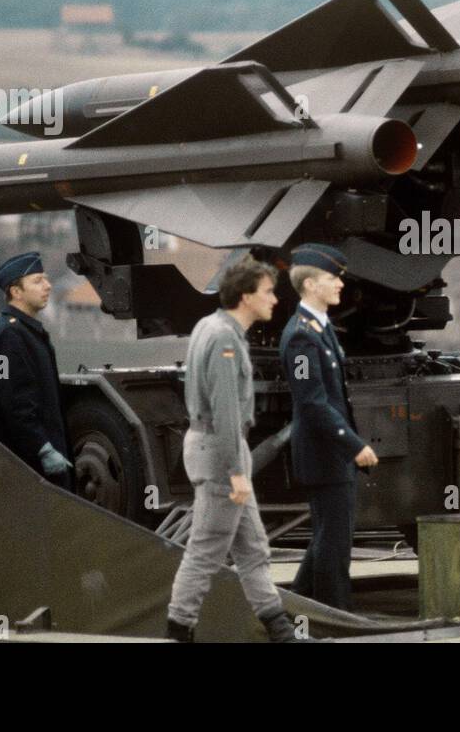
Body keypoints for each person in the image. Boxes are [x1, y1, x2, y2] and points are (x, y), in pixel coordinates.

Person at [167, 256, 300, 643]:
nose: (275, 299)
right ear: (245, 297)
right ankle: (178, 630)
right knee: (206, 550)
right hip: (221, 450)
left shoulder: (209, 326)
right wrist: (237, 474)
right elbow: (225, 411)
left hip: (219, 447)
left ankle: (281, 632)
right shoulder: (224, 338)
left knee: (253, 547)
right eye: (268, 292)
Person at [279, 243, 378, 611]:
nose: (340, 284)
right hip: (325, 454)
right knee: (335, 546)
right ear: (309, 286)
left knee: (326, 539)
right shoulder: (302, 337)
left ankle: (292, 611)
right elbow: (312, 402)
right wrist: (353, 445)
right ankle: (338, 622)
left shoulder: (321, 327)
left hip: (329, 455)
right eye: (332, 278)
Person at [0, 252, 73, 488]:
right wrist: (42, 449)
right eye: (38, 280)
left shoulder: (25, 332)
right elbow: (13, 403)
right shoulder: (9, 336)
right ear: (16, 292)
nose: (48, 286)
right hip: (27, 465)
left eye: (46, 279)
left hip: (36, 462)